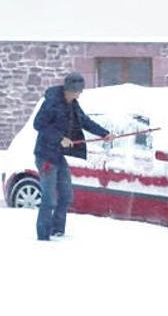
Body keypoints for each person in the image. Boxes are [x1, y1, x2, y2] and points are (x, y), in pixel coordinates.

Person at [32, 72, 114, 241]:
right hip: (46, 156)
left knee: (66, 195)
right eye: (78, 90)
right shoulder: (52, 103)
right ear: (69, 89)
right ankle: (43, 237)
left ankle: (57, 231)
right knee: (49, 198)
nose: (80, 93)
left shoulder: (73, 104)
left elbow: (85, 121)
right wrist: (60, 138)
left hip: (58, 156)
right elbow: (38, 124)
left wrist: (104, 134)